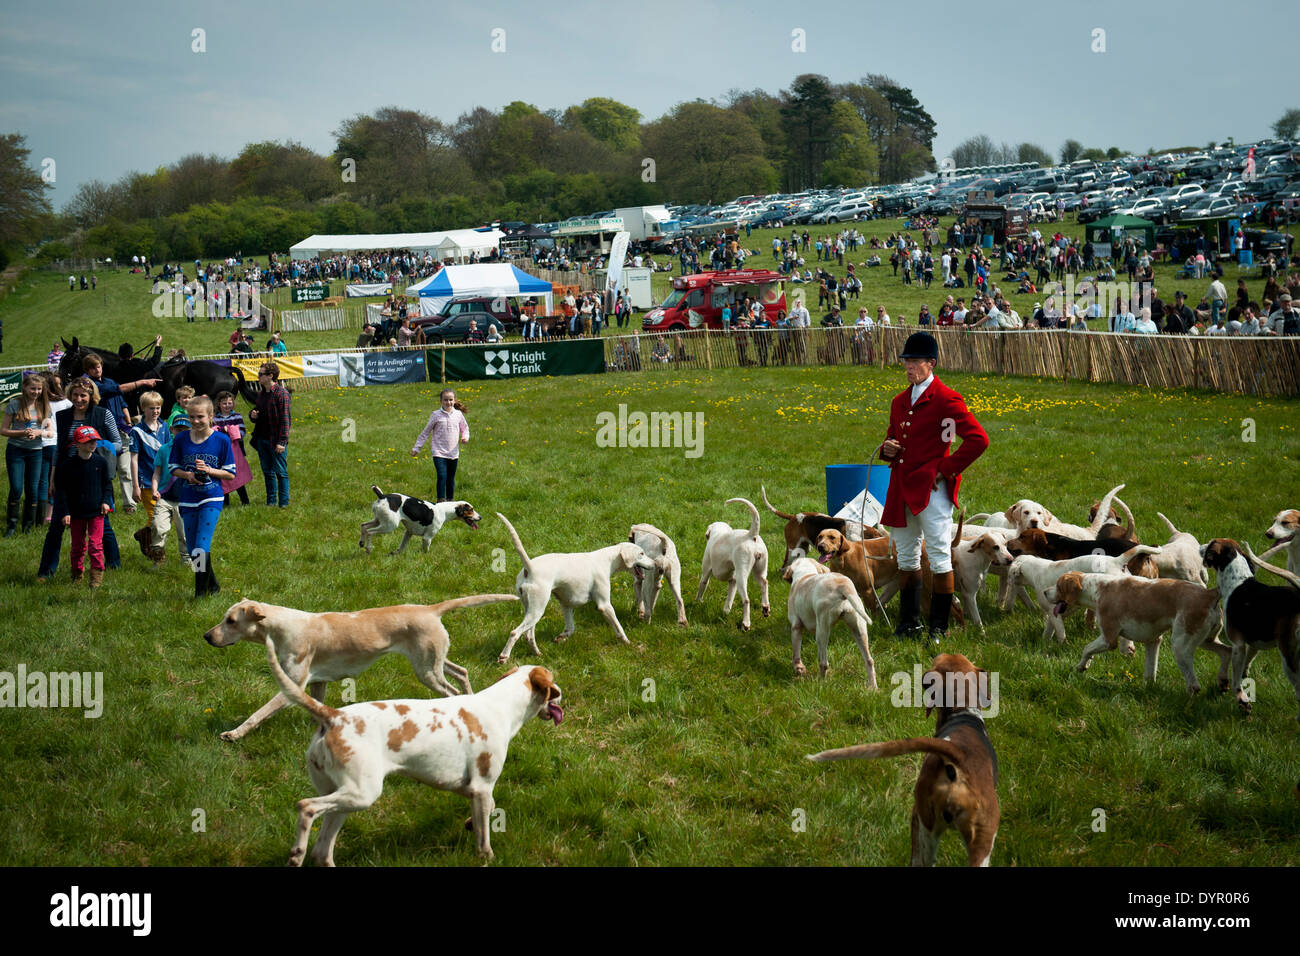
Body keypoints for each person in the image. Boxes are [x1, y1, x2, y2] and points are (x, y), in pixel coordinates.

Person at [877, 332, 989, 643]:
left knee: (939, 556)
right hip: (902, 487)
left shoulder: (946, 398)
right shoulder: (900, 401)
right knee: (907, 557)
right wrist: (889, 449)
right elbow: (893, 439)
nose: (909, 367)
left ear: (931, 363)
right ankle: (909, 623)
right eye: (906, 361)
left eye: (915, 362)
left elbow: (978, 439)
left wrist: (946, 468)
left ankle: (939, 628)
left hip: (931, 491)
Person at [37, 376, 123, 581]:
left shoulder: (103, 414)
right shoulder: (64, 416)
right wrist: (52, 478)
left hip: (94, 472)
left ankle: (113, 564)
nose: (79, 399)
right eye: (75, 395)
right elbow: (58, 449)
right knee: (57, 524)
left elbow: (118, 443)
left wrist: (99, 449)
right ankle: (47, 570)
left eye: (83, 395)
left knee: (103, 524)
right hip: (68, 474)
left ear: (91, 395)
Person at [169, 396, 235, 597]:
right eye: (191, 417)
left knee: (201, 546)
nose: (195, 421)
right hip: (188, 497)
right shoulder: (181, 439)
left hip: (211, 497)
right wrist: (187, 474)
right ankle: (213, 584)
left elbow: (230, 473)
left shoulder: (221, 440)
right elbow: (173, 468)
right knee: (192, 548)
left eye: (200, 417)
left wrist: (209, 471)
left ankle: (200, 594)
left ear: (211, 416)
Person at [81, 352, 161, 513]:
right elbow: (120, 388)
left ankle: (129, 504)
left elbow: (122, 402)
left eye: (99, 366)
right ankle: (107, 504)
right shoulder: (89, 385)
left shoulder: (108, 380)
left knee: (125, 469)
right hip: (102, 432)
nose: (97, 370)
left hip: (122, 429)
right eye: (93, 368)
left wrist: (128, 421)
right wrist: (143, 382)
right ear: (87, 370)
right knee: (107, 471)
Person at [57, 425, 113, 588]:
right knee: (77, 546)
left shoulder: (101, 462)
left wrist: (105, 501)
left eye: (94, 441)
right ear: (77, 444)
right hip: (76, 513)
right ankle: (76, 573)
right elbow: (62, 491)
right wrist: (65, 512)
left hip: (96, 511)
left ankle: (96, 576)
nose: (92, 444)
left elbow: (107, 485)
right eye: (88, 441)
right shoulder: (68, 465)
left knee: (95, 544)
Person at [3, 372, 54, 535]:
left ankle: (28, 527)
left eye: (39, 389)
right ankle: (11, 525)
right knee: (16, 488)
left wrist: (39, 433)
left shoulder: (45, 405)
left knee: (32, 489)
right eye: (33, 388)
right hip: (16, 451)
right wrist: (22, 433)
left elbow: (50, 432)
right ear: (24, 387)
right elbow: (3, 430)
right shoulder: (14, 404)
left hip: (36, 452)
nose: (36, 392)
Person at [128, 390, 168, 556]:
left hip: (164, 480)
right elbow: (134, 460)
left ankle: (144, 535)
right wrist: (135, 486)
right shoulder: (137, 431)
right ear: (142, 408)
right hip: (146, 482)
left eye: (158, 407)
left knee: (166, 516)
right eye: (151, 408)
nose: (155, 411)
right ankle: (156, 553)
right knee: (155, 517)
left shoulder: (164, 426)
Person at [411, 388, 469, 502]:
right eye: (445, 400)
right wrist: (417, 448)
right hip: (439, 452)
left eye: (451, 400)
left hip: (453, 452)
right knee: (442, 476)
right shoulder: (436, 415)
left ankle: (450, 501)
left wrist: (465, 437)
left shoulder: (458, 414)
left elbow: (465, 428)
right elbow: (426, 432)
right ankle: (441, 501)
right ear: (441, 401)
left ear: (454, 400)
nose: (448, 402)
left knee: (451, 478)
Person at [249, 361, 291, 508]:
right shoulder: (261, 394)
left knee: (281, 472)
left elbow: (285, 420)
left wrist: (282, 442)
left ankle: (284, 503)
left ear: (270, 376)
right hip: (261, 439)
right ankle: (271, 502)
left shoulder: (282, 394)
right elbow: (258, 413)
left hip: (275, 440)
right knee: (267, 472)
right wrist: (252, 415)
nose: (258, 376)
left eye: (261, 374)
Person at [36, 371, 70, 526]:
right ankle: (51, 513)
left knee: (43, 481)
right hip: (57, 443)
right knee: (55, 480)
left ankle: (42, 515)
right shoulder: (66, 403)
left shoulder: (39, 403)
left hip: (41, 444)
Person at [212, 390, 252, 506]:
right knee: (223, 477)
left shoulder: (237, 416)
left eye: (230, 403)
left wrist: (228, 430)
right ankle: (226, 503)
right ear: (219, 404)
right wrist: (225, 431)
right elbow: (213, 433)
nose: (227, 406)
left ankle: (245, 501)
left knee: (237, 476)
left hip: (237, 452)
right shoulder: (215, 418)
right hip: (221, 453)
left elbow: (242, 432)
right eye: (224, 403)